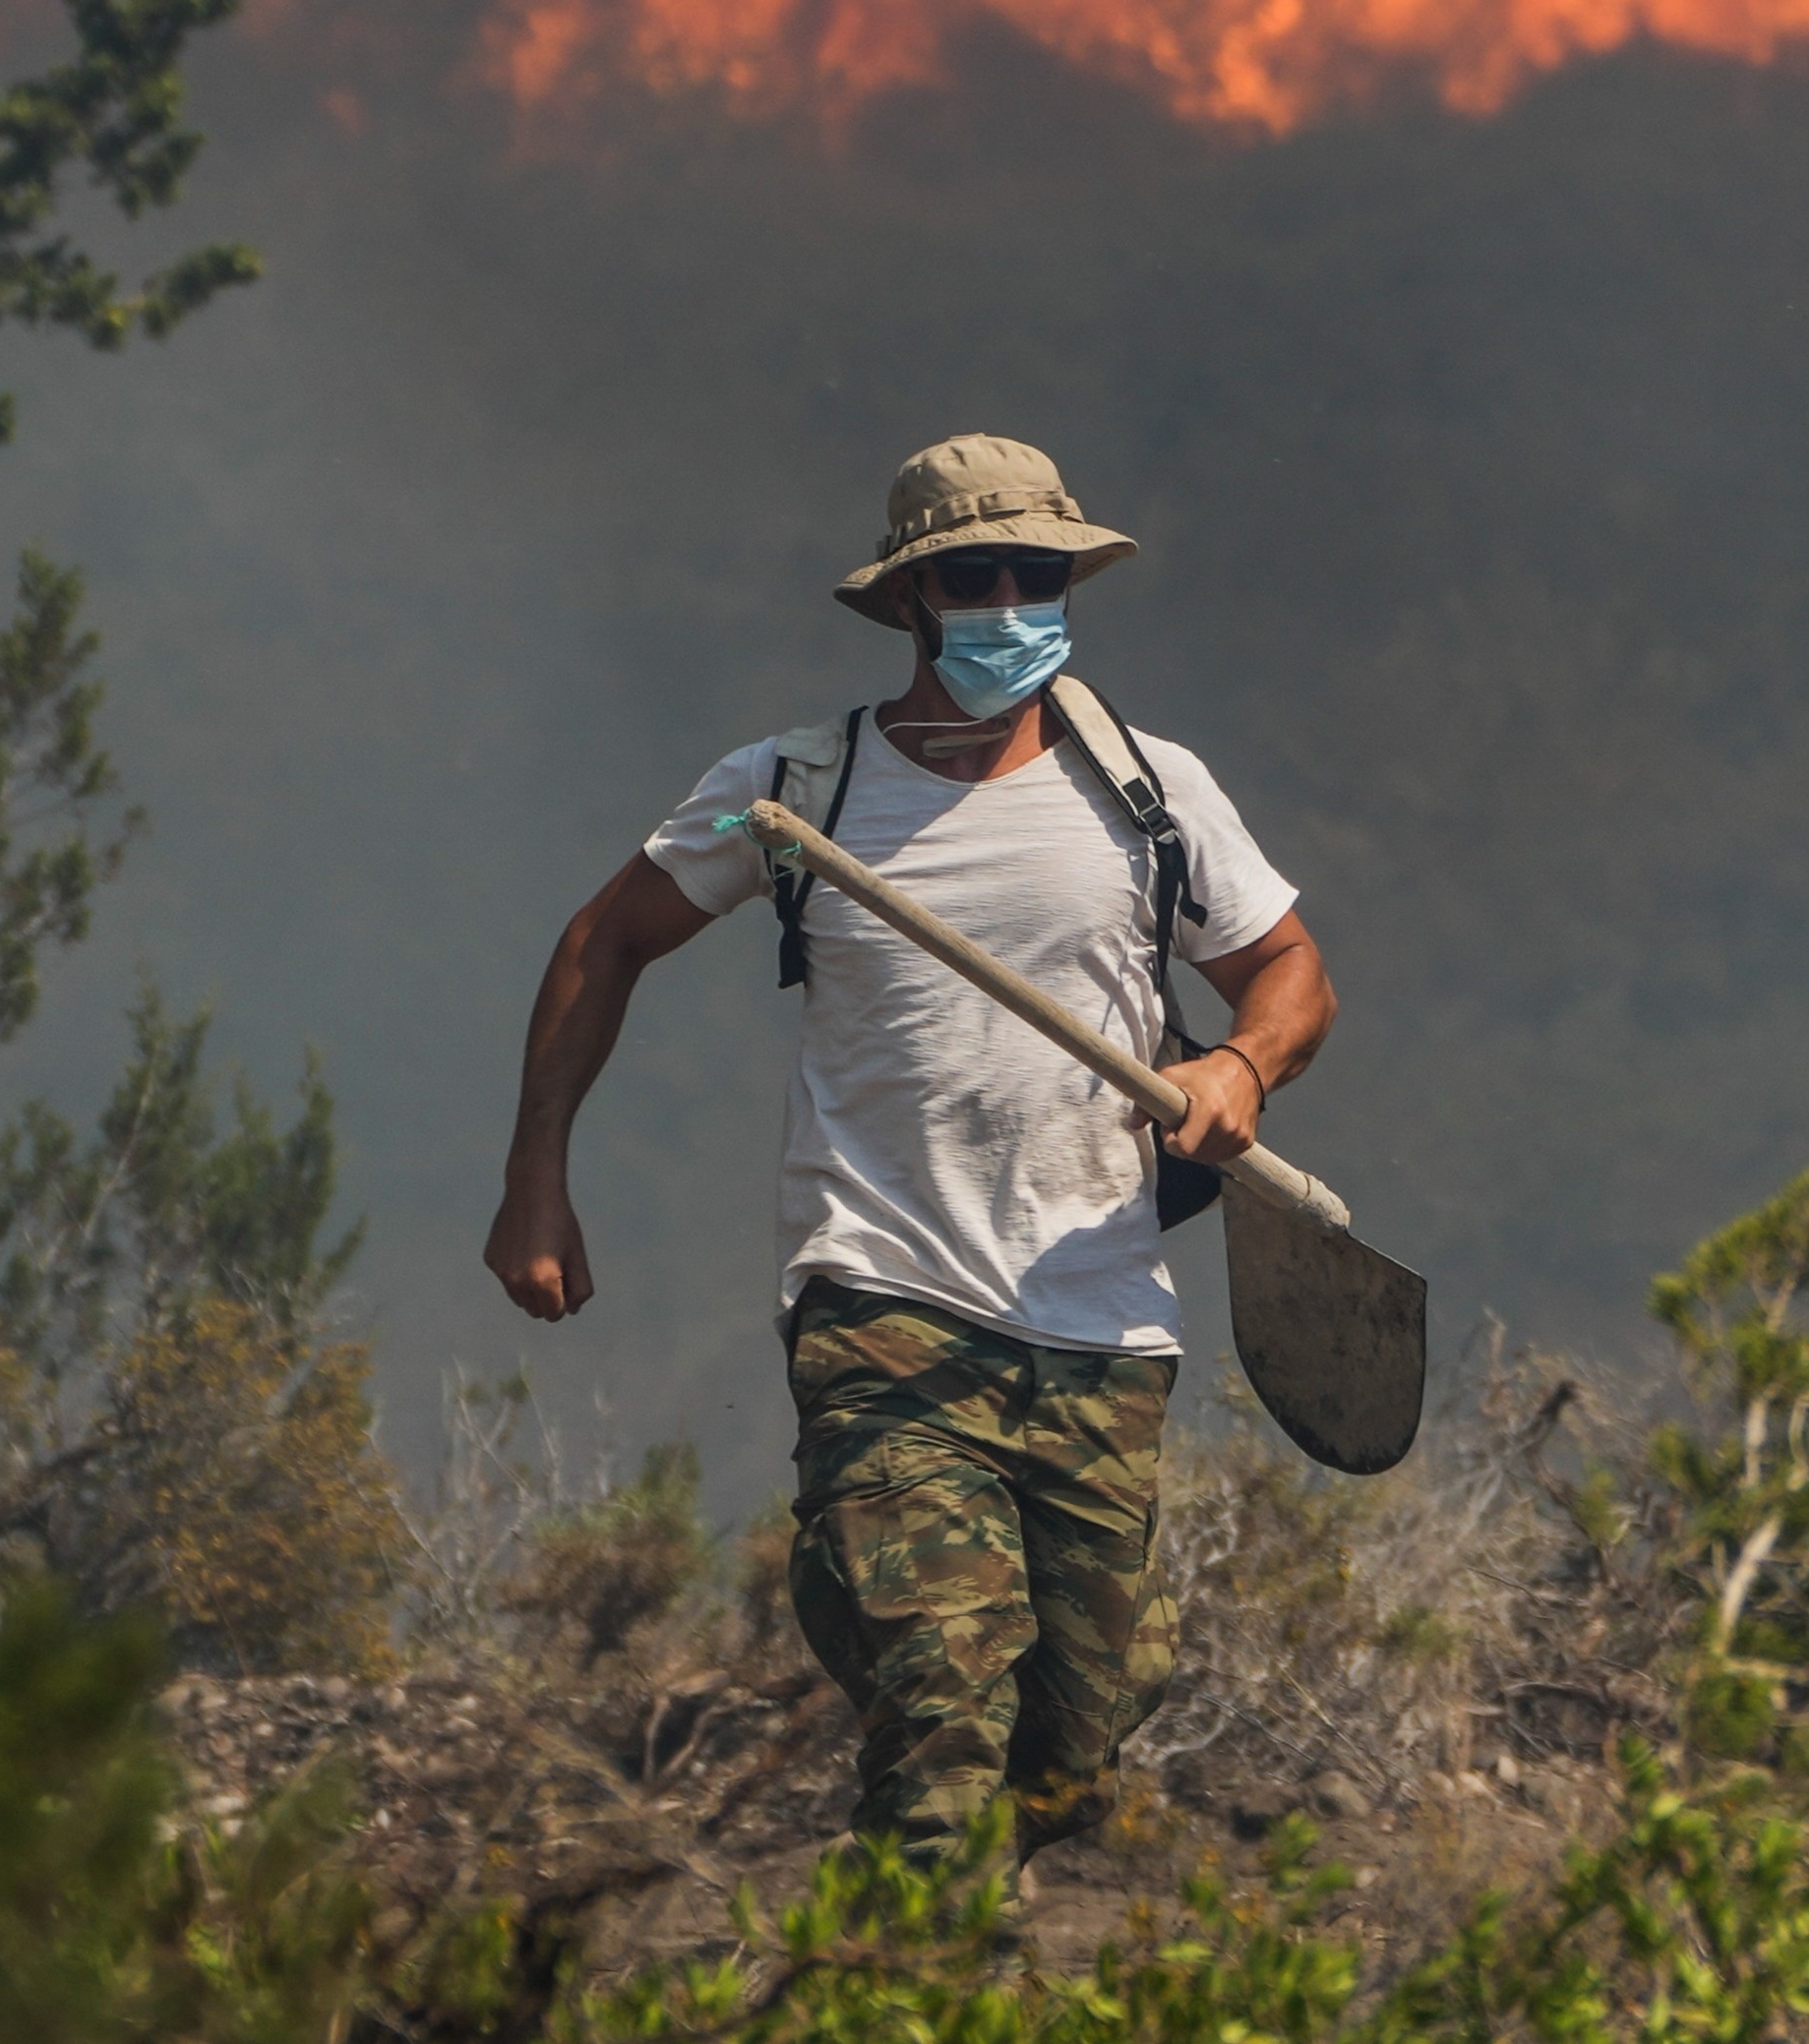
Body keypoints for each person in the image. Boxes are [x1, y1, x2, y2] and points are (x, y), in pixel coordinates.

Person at [484, 434, 1332, 1857]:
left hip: (1100, 1321)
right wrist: (534, 1184)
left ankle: (852, 1579)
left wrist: (1241, 1066)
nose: (1010, 599)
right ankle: (885, 1956)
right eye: (974, 575)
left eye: (1035, 572)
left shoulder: (1150, 792)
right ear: (914, 600)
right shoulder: (796, 794)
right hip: (881, 1301)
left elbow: (1290, 969)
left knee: (1064, 1759)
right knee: (942, 1707)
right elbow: (603, 940)